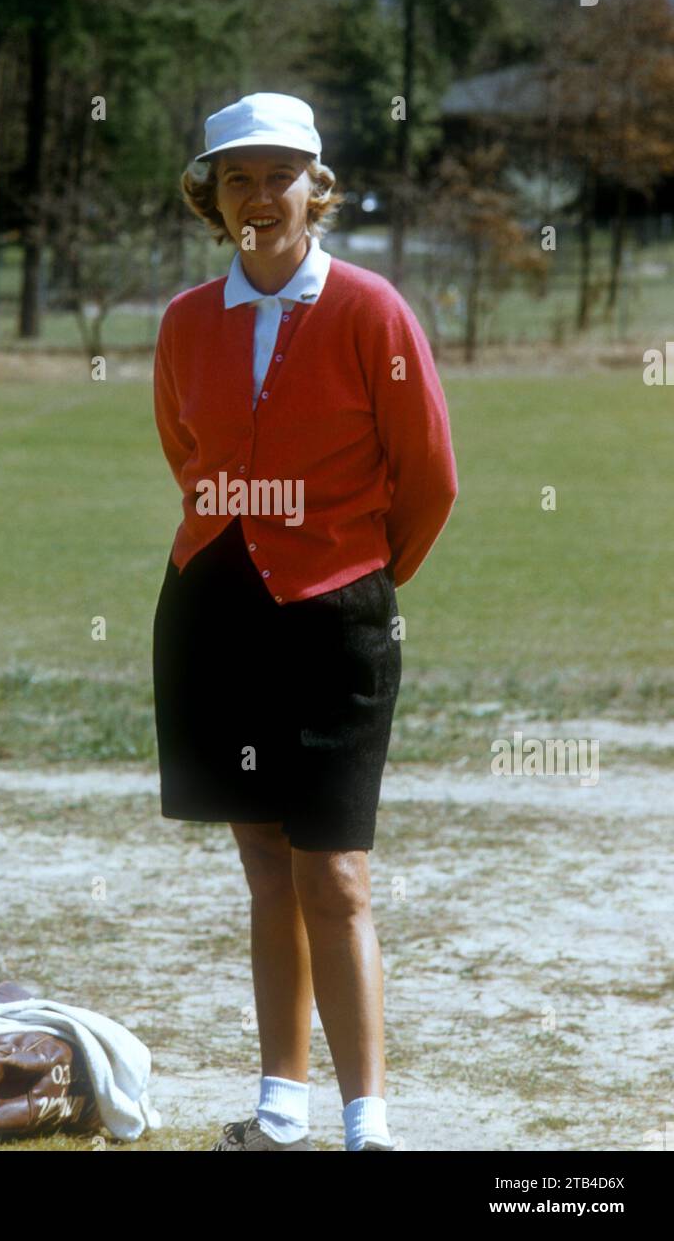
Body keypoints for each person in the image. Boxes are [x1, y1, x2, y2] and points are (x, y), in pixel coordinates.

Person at [151, 92, 458, 1151]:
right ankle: (280, 1106)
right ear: (212, 196)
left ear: (316, 188)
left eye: (280, 174)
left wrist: (358, 580)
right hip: (213, 607)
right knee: (265, 865)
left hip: (336, 615)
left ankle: (368, 1121)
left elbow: (429, 478)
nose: (259, 196)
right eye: (237, 176)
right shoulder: (187, 321)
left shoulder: (373, 309)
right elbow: (185, 455)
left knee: (334, 872)